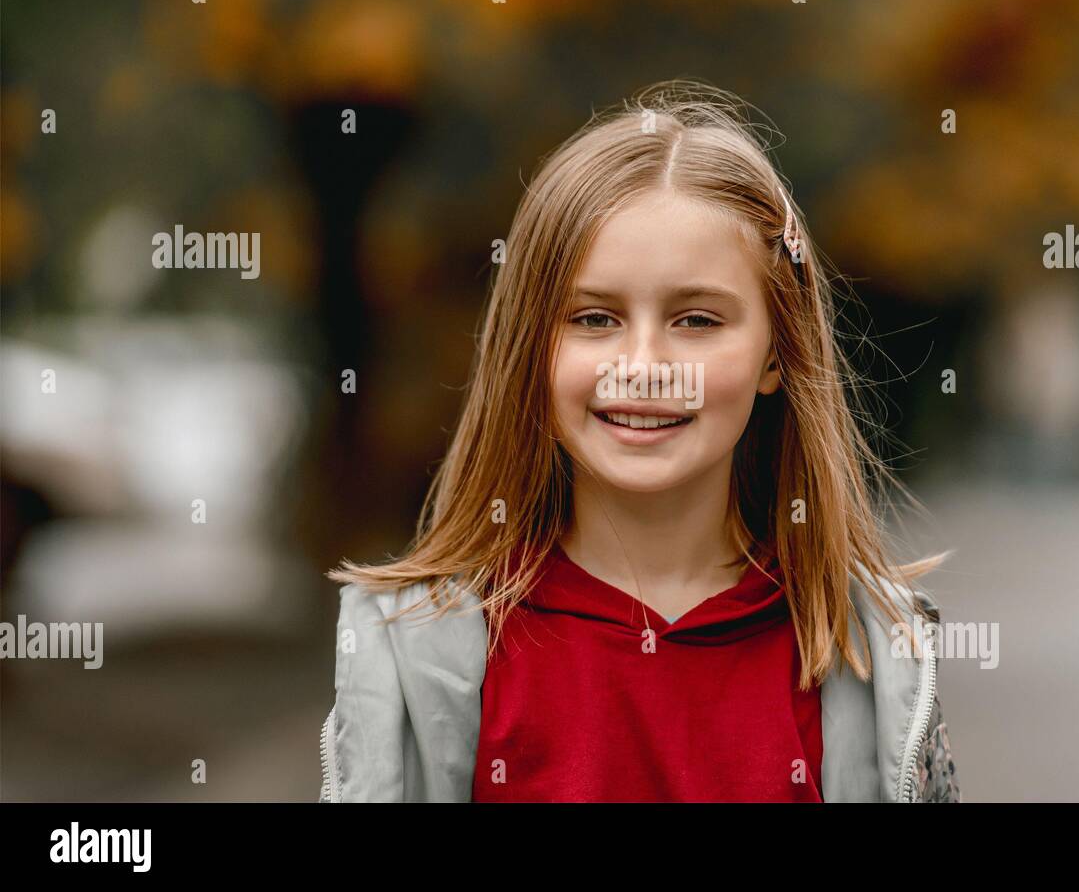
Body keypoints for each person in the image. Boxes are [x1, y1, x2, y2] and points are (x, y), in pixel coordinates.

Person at [318, 79, 960, 803]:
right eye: (594, 318)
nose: (645, 367)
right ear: (533, 347)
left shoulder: (872, 654)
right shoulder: (415, 648)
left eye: (697, 320)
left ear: (777, 355)